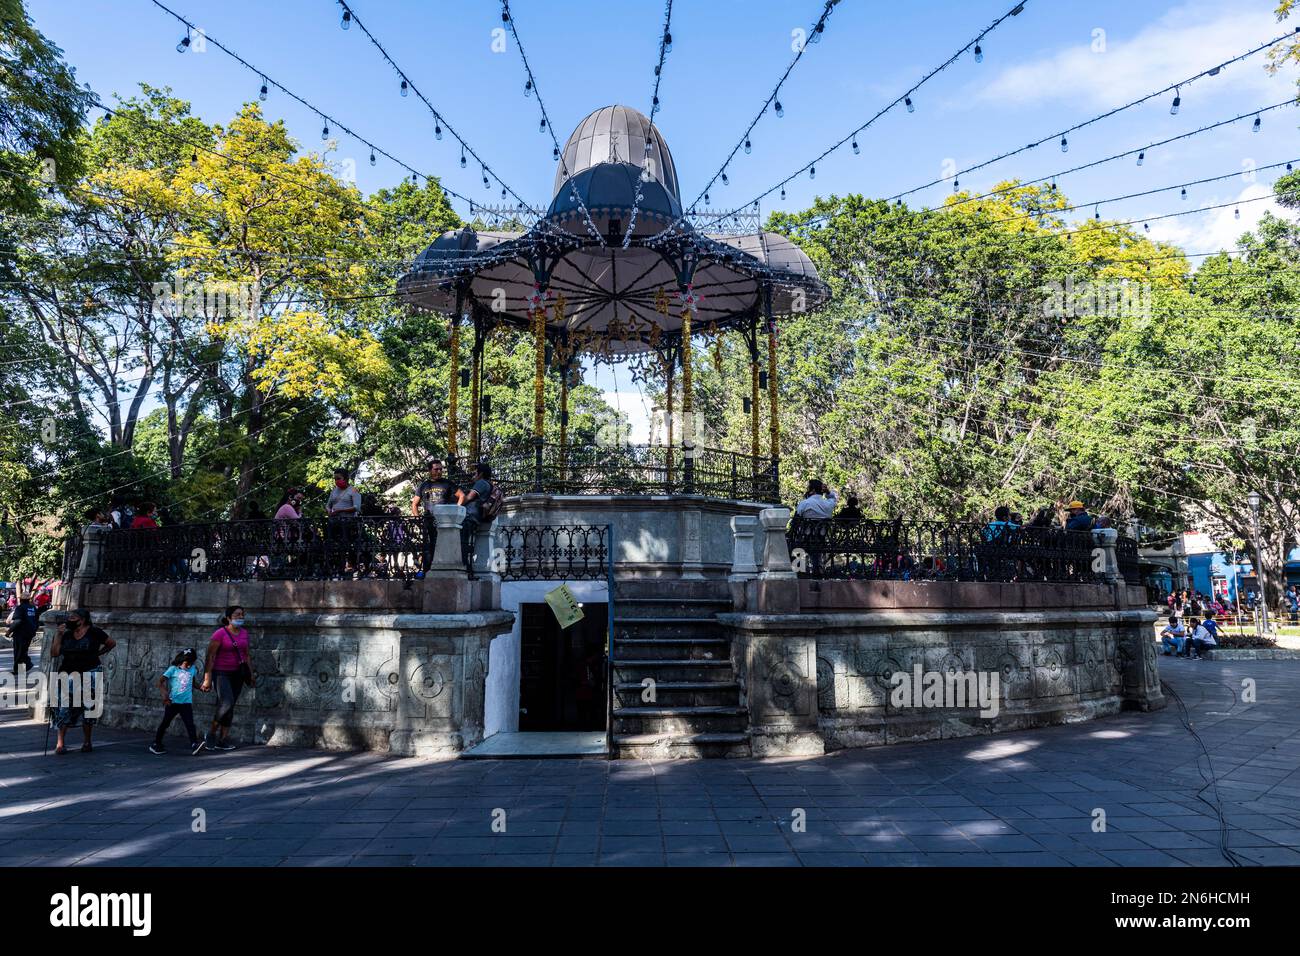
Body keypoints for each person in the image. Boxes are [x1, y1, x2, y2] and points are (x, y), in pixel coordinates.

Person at [48, 609, 116, 755]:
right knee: (63, 708)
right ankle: (60, 743)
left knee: (88, 708)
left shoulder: (95, 632)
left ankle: (87, 741)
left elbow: (111, 643)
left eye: (73, 618)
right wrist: (58, 635)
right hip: (67, 673)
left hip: (90, 673)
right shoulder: (65, 634)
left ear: (83, 620)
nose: (69, 620)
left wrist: (98, 654)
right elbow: (54, 653)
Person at [200, 606, 255, 751]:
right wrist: (207, 678)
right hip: (221, 673)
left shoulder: (244, 633)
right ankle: (211, 733)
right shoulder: (220, 634)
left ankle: (222, 740)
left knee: (230, 706)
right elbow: (210, 656)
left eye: (242, 614)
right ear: (228, 618)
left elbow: (246, 655)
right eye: (237, 615)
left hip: (238, 674)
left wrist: (251, 673)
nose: (240, 617)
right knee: (226, 703)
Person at [149, 648, 206, 756]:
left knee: (190, 724)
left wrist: (201, 688)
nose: (189, 666)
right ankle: (156, 743)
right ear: (182, 660)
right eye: (187, 664)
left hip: (186, 703)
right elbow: (160, 682)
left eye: (191, 663)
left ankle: (194, 745)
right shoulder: (173, 669)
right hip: (173, 702)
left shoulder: (192, 669)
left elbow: (193, 683)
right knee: (165, 723)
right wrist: (164, 693)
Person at [412, 459, 458, 573]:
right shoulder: (424, 485)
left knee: (443, 546)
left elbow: (461, 496)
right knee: (428, 547)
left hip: (444, 521)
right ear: (429, 470)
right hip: (428, 520)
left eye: (441, 469)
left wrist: (456, 511)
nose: (439, 471)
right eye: (436, 469)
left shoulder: (447, 483)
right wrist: (418, 519)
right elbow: (414, 504)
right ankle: (427, 571)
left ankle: (443, 571)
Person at [458, 462, 495, 571]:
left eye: (475, 473)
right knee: (466, 543)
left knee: (463, 543)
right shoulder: (488, 484)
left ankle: (463, 567)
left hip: (470, 517)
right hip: (475, 517)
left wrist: (456, 507)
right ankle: (466, 566)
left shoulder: (481, 483)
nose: (473, 476)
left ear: (481, 474)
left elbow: (469, 497)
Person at [326, 469, 362, 575]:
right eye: (335, 479)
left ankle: (351, 566)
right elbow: (328, 504)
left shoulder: (353, 491)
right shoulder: (334, 491)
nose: (336, 481)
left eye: (338, 478)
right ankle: (334, 566)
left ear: (346, 479)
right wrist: (329, 510)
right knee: (333, 546)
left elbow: (357, 507)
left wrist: (341, 510)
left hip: (348, 524)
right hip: (334, 523)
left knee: (348, 546)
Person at [4, 593, 37, 674]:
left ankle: (25, 666)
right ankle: (22, 668)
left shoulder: (20, 608)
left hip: (21, 633)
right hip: (29, 633)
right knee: (23, 651)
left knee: (18, 652)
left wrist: (9, 631)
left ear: (21, 599)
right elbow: (37, 621)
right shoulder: (33, 608)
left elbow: (17, 621)